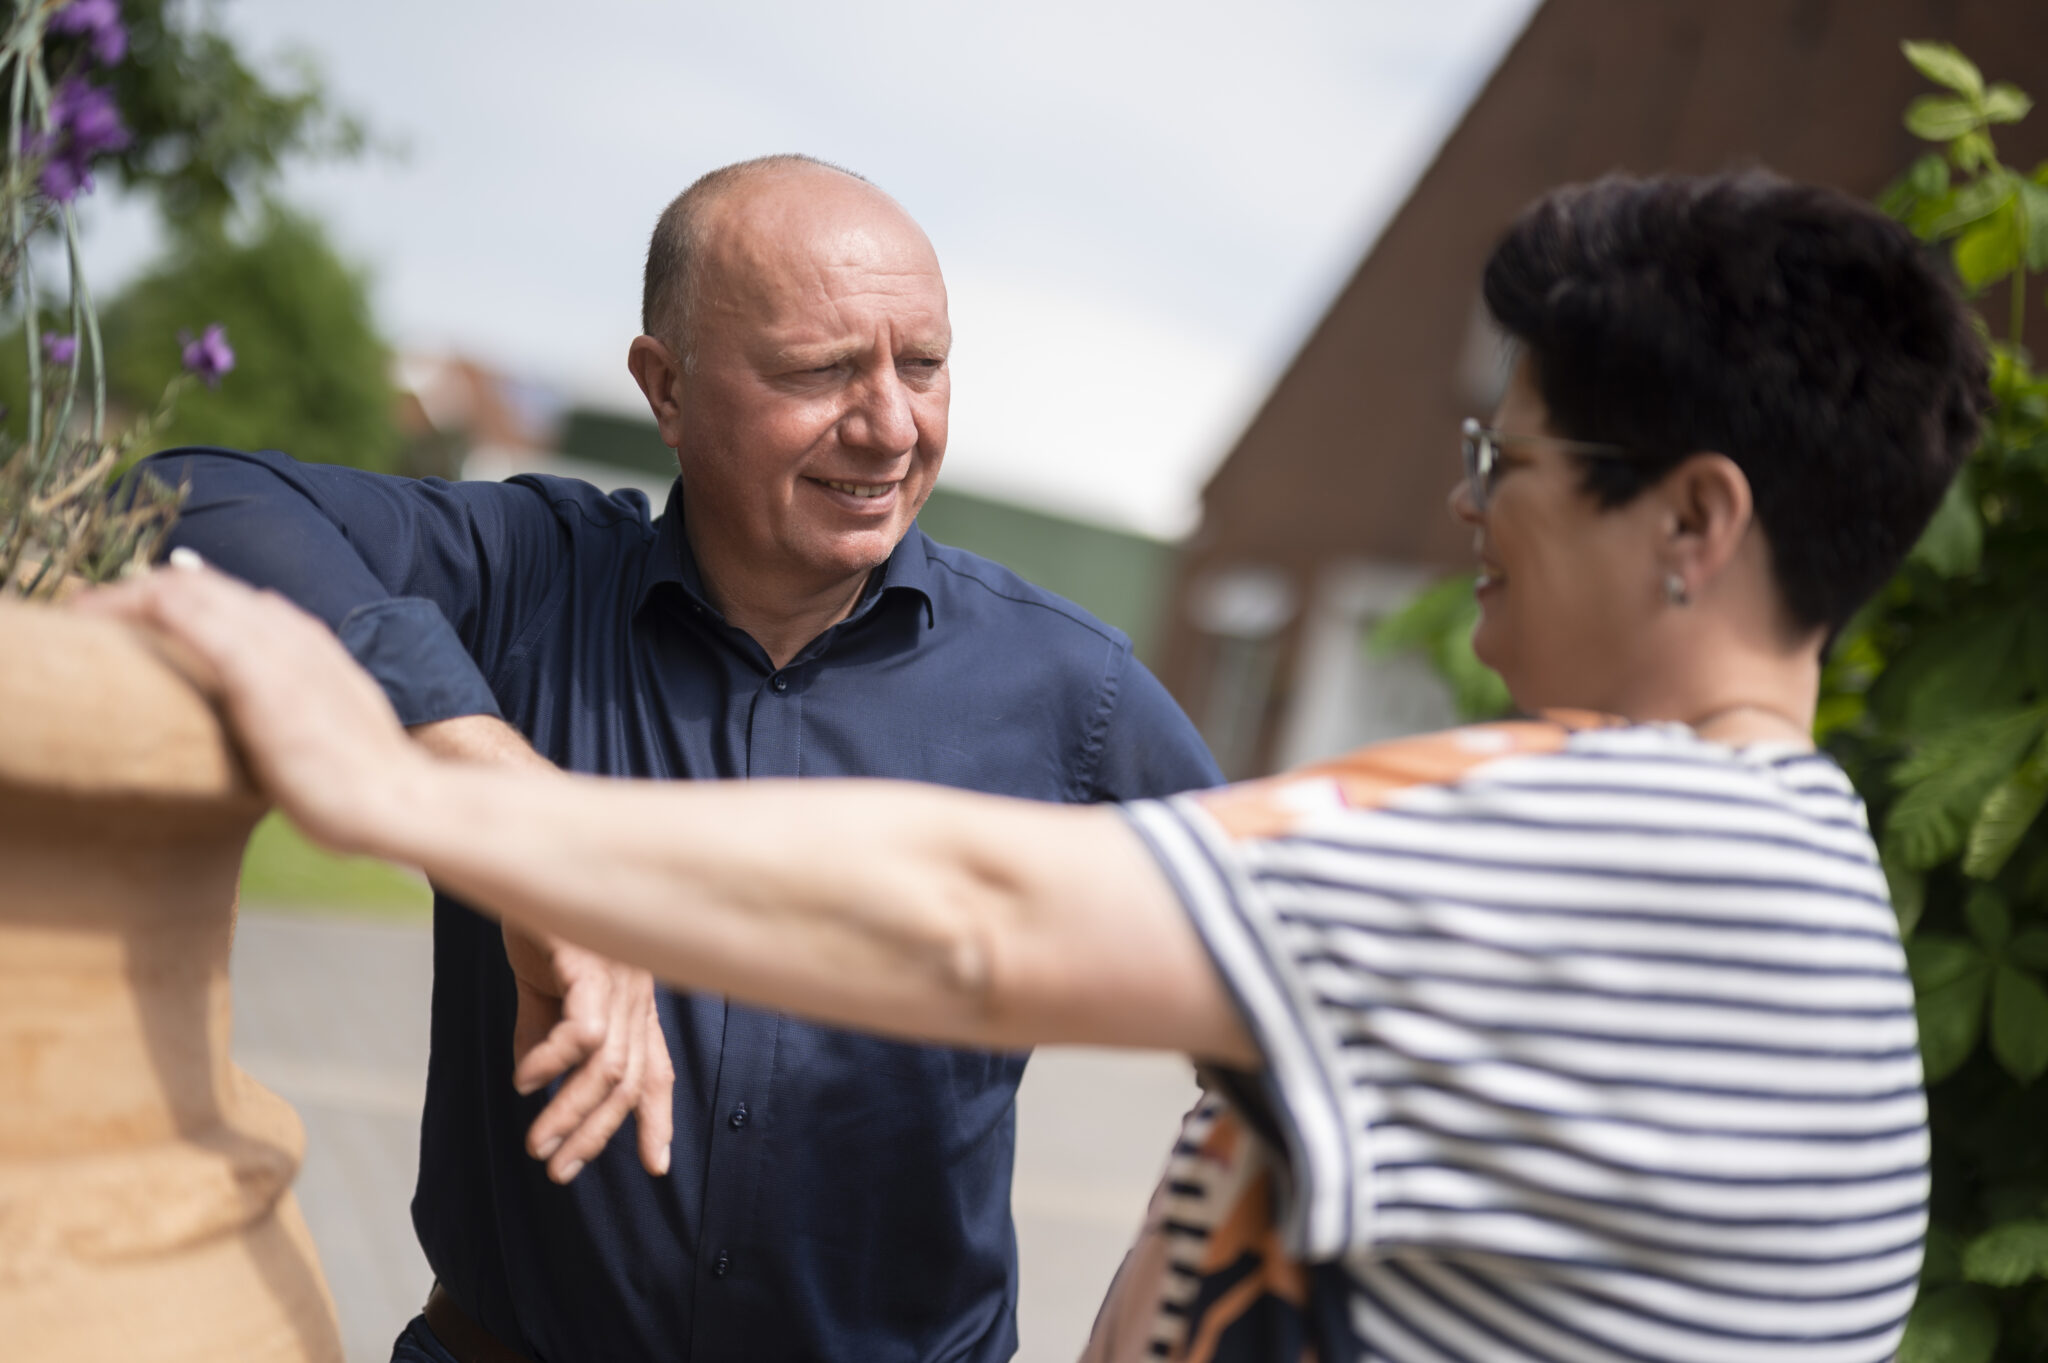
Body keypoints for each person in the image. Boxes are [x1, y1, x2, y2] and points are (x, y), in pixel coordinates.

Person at [109, 168, 1988, 1362]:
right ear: (666, 385)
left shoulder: (1541, 843)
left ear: (1691, 523)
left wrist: (439, 806)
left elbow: (974, 917)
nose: (1460, 502)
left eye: (1511, 461)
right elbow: (1261, 1112)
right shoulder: (1788, 875)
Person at [138, 155, 1222, 1363]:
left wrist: (1174, 1311)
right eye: (820, 371)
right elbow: (179, 494)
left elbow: (1294, 995)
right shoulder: (525, 578)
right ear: (666, 388)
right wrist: (494, 783)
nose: (890, 423)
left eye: (921, 363)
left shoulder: (1070, 687)